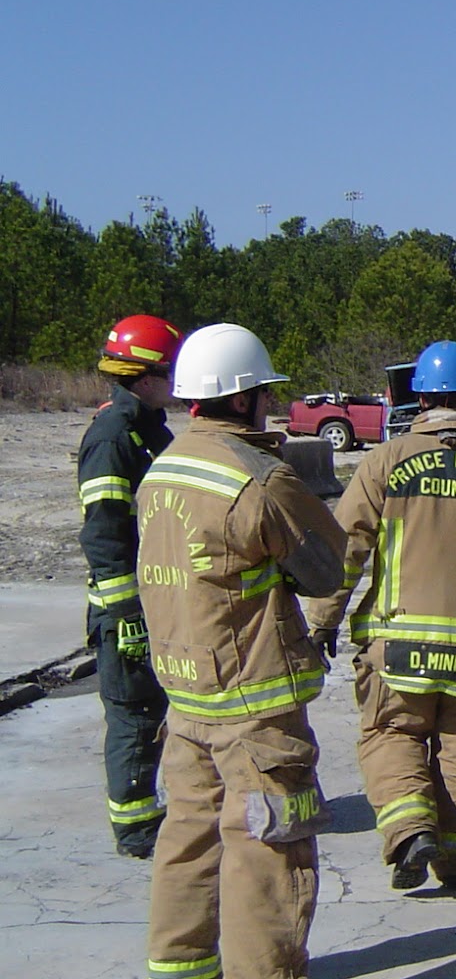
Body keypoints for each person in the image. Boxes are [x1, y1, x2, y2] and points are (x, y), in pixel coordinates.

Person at [135, 322, 347, 979]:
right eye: (262, 394)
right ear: (241, 399)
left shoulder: (160, 469)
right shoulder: (257, 479)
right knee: (267, 853)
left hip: (184, 695)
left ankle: (181, 966)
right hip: (253, 708)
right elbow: (325, 570)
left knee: (187, 839)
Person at [307, 340, 456, 891]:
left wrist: (322, 620)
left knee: (392, 734)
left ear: (420, 397)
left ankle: (410, 830)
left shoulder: (384, 462)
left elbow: (346, 549)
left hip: (399, 644)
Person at [77, 313, 183, 858]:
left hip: (153, 601)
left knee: (152, 713)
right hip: (126, 611)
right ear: (144, 376)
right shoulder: (114, 438)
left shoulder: (146, 430)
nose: (176, 383)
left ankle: (151, 815)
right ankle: (138, 829)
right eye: (170, 372)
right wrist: (129, 617)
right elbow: (104, 535)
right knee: (134, 716)